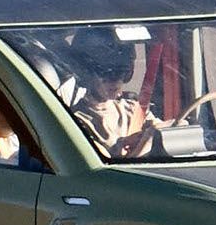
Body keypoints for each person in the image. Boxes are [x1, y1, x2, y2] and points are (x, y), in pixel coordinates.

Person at [68, 28, 169, 158]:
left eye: (122, 72)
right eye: (106, 72)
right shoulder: (77, 122)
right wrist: (146, 140)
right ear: (84, 72)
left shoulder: (133, 109)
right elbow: (104, 172)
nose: (115, 80)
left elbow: (164, 132)